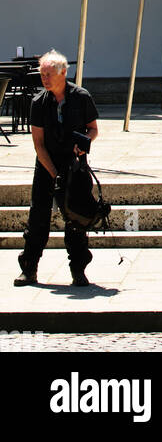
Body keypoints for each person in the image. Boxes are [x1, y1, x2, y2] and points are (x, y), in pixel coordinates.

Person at [14, 49, 98, 287]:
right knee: (38, 215)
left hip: (74, 164)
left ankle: (78, 271)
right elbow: (38, 144)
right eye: (42, 74)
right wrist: (54, 174)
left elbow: (93, 129)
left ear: (63, 73)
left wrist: (84, 144)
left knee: (76, 217)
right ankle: (29, 269)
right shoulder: (38, 102)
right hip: (46, 164)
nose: (44, 78)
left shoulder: (81, 96)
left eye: (49, 74)